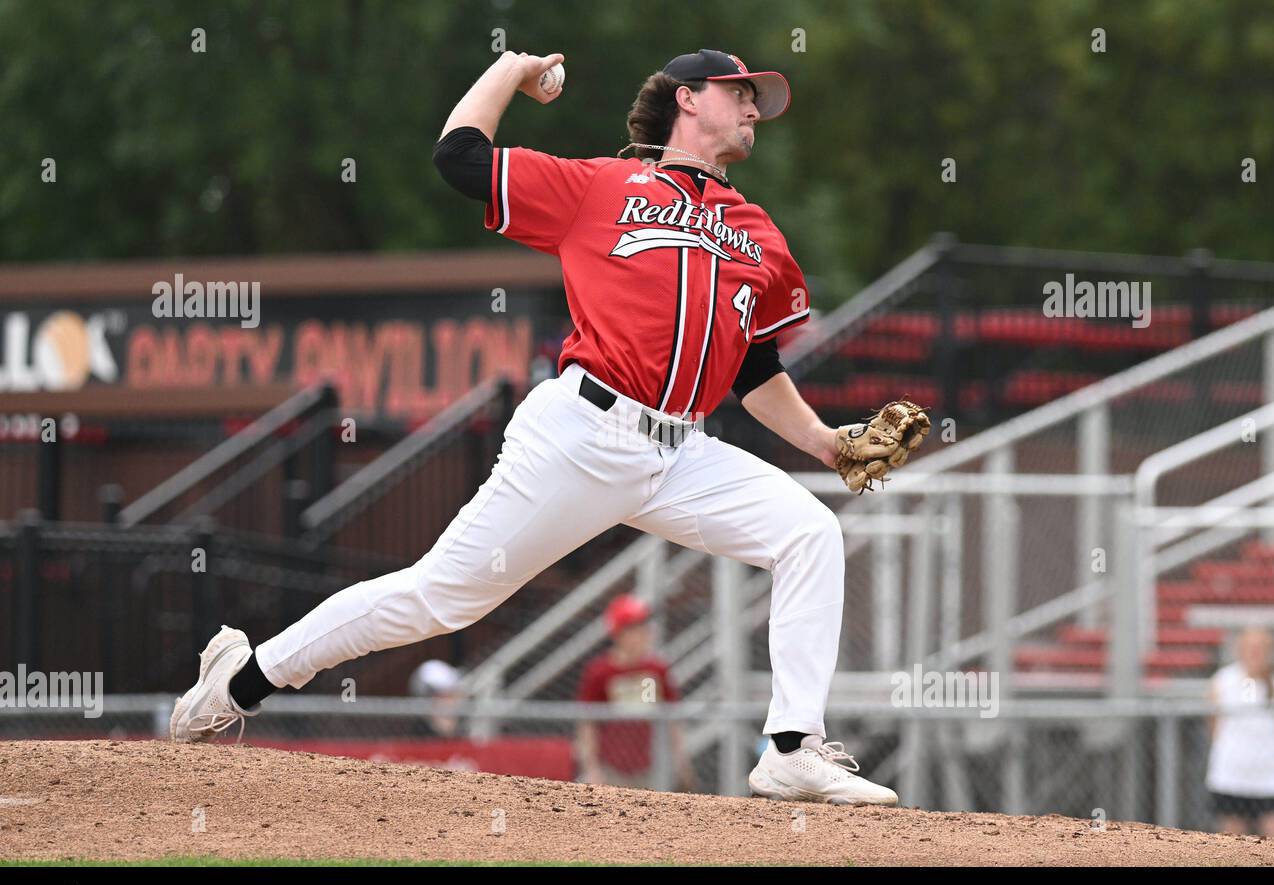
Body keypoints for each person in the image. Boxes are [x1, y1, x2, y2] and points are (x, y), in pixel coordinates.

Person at [170, 47, 899, 806]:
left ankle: (791, 748)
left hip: (684, 451)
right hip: (584, 434)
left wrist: (824, 441)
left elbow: (753, 368)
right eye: (740, 93)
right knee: (440, 598)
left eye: (758, 99)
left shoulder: (759, 234)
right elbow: (459, 158)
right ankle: (245, 677)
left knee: (809, 533)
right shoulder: (602, 185)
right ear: (689, 98)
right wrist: (508, 73)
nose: (754, 109)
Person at [574, 594, 695, 791]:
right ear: (619, 633)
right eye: (636, 627)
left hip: (650, 767)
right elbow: (588, 724)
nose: (645, 633)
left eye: (645, 626)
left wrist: (682, 762)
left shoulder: (657, 669)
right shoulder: (601, 672)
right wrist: (591, 767)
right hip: (610, 768)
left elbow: (673, 721)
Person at [1205, 627, 1274, 837]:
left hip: (1272, 779)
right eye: (1250, 648)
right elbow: (1213, 726)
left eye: (1261, 648)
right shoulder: (1223, 681)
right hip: (1232, 777)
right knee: (1232, 847)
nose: (1256, 653)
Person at [408, 659, 464, 737]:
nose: (450, 702)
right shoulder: (417, 737)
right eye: (443, 695)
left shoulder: (464, 733)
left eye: (451, 694)